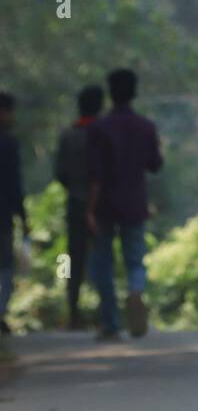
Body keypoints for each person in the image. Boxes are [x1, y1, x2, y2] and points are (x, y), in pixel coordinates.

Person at [87, 69, 163, 340]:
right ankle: (135, 291)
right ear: (134, 92)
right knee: (135, 260)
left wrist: (90, 210)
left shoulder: (99, 128)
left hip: (105, 205)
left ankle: (110, 323)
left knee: (104, 264)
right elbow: (155, 164)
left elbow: (95, 174)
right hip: (134, 203)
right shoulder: (146, 126)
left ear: (111, 92)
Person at [55, 84, 104, 329]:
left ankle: (74, 313)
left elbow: (60, 173)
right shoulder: (104, 133)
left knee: (74, 260)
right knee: (103, 257)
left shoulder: (68, 135)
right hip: (103, 206)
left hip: (75, 202)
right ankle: (107, 314)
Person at [0, 92, 30, 336]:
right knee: (5, 266)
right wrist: (23, 216)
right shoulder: (8, 143)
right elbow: (13, 183)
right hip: (3, 215)